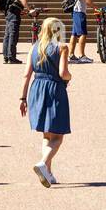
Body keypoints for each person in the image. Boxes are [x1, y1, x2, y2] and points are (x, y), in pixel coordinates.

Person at [20, 16, 71, 186]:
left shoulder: (35, 47)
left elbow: (26, 75)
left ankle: (48, 172)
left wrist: (23, 98)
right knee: (58, 136)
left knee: (46, 133)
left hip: (36, 89)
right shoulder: (62, 47)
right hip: (54, 89)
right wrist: (70, 76)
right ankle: (43, 163)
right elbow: (63, 73)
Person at [2, 0, 31, 66]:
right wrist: (29, 9)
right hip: (13, 13)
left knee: (8, 34)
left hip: (12, 12)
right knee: (12, 34)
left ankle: (6, 57)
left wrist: (22, 10)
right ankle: (11, 57)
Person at [69, 0, 94, 65]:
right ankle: (82, 56)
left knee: (74, 34)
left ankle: (71, 55)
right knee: (83, 33)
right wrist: (95, 7)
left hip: (77, 11)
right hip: (79, 11)